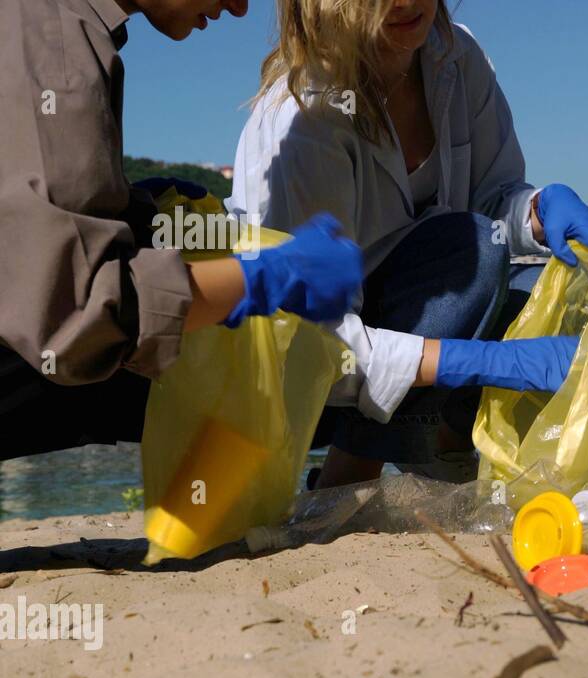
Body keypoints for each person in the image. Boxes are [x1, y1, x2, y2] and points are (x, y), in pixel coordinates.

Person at [229, 0, 588, 489]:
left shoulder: (457, 59)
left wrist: (539, 212)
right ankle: (348, 474)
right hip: (309, 375)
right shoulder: (306, 115)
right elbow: (314, 341)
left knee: (554, 295)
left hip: (423, 302)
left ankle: (449, 454)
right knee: (472, 253)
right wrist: (475, 361)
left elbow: (492, 199)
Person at [0, 0, 364, 463]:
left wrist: (133, 211)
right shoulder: (58, 47)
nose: (238, 8)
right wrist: (266, 277)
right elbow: (76, 314)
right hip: (50, 336)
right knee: (288, 389)